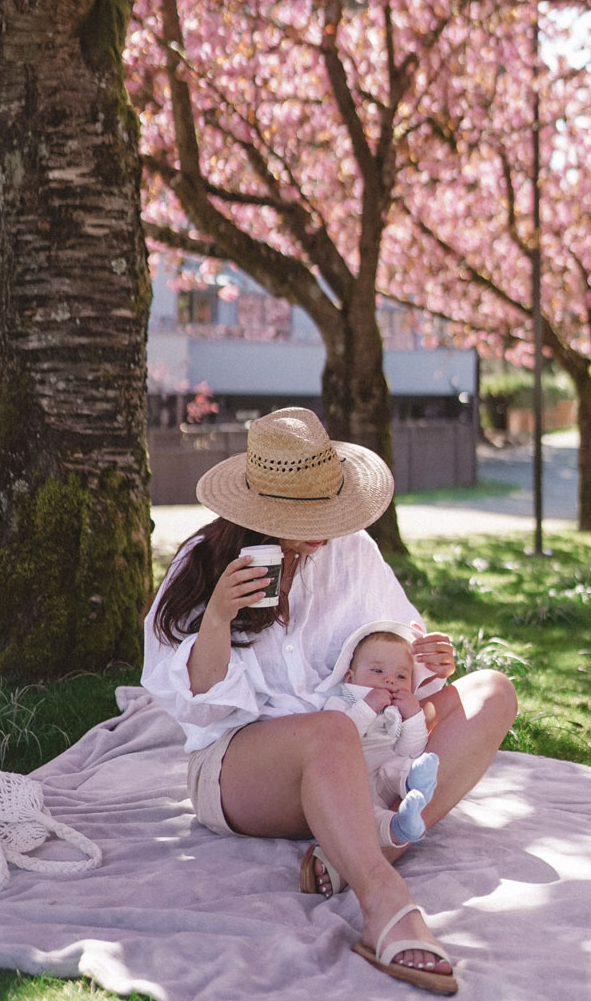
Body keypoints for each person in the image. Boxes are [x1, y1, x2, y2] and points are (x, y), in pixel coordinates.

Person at [141, 407, 517, 996]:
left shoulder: (353, 552)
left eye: (326, 508)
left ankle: (365, 843)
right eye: (302, 516)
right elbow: (199, 710)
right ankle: (385, 898)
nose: (321, 529)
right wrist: (217, 617)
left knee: (493, 691)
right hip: (247, 773)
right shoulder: (204, 564)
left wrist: (428, 663)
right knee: (329, 729)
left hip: (362, 756)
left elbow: (398, 654)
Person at [319, 621, 441, 851]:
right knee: (364, 814)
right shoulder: (340, 704)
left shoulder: (398, 711)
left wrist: (413, 716)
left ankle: (415, 781)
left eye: (401, 676)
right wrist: (368, 707)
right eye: (377, 671)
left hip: (387, 778)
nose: (390, 680)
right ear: (350, 678)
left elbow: (410, 751)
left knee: (399, 764)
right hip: (349, 781)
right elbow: (336, 740)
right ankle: (399, 826)